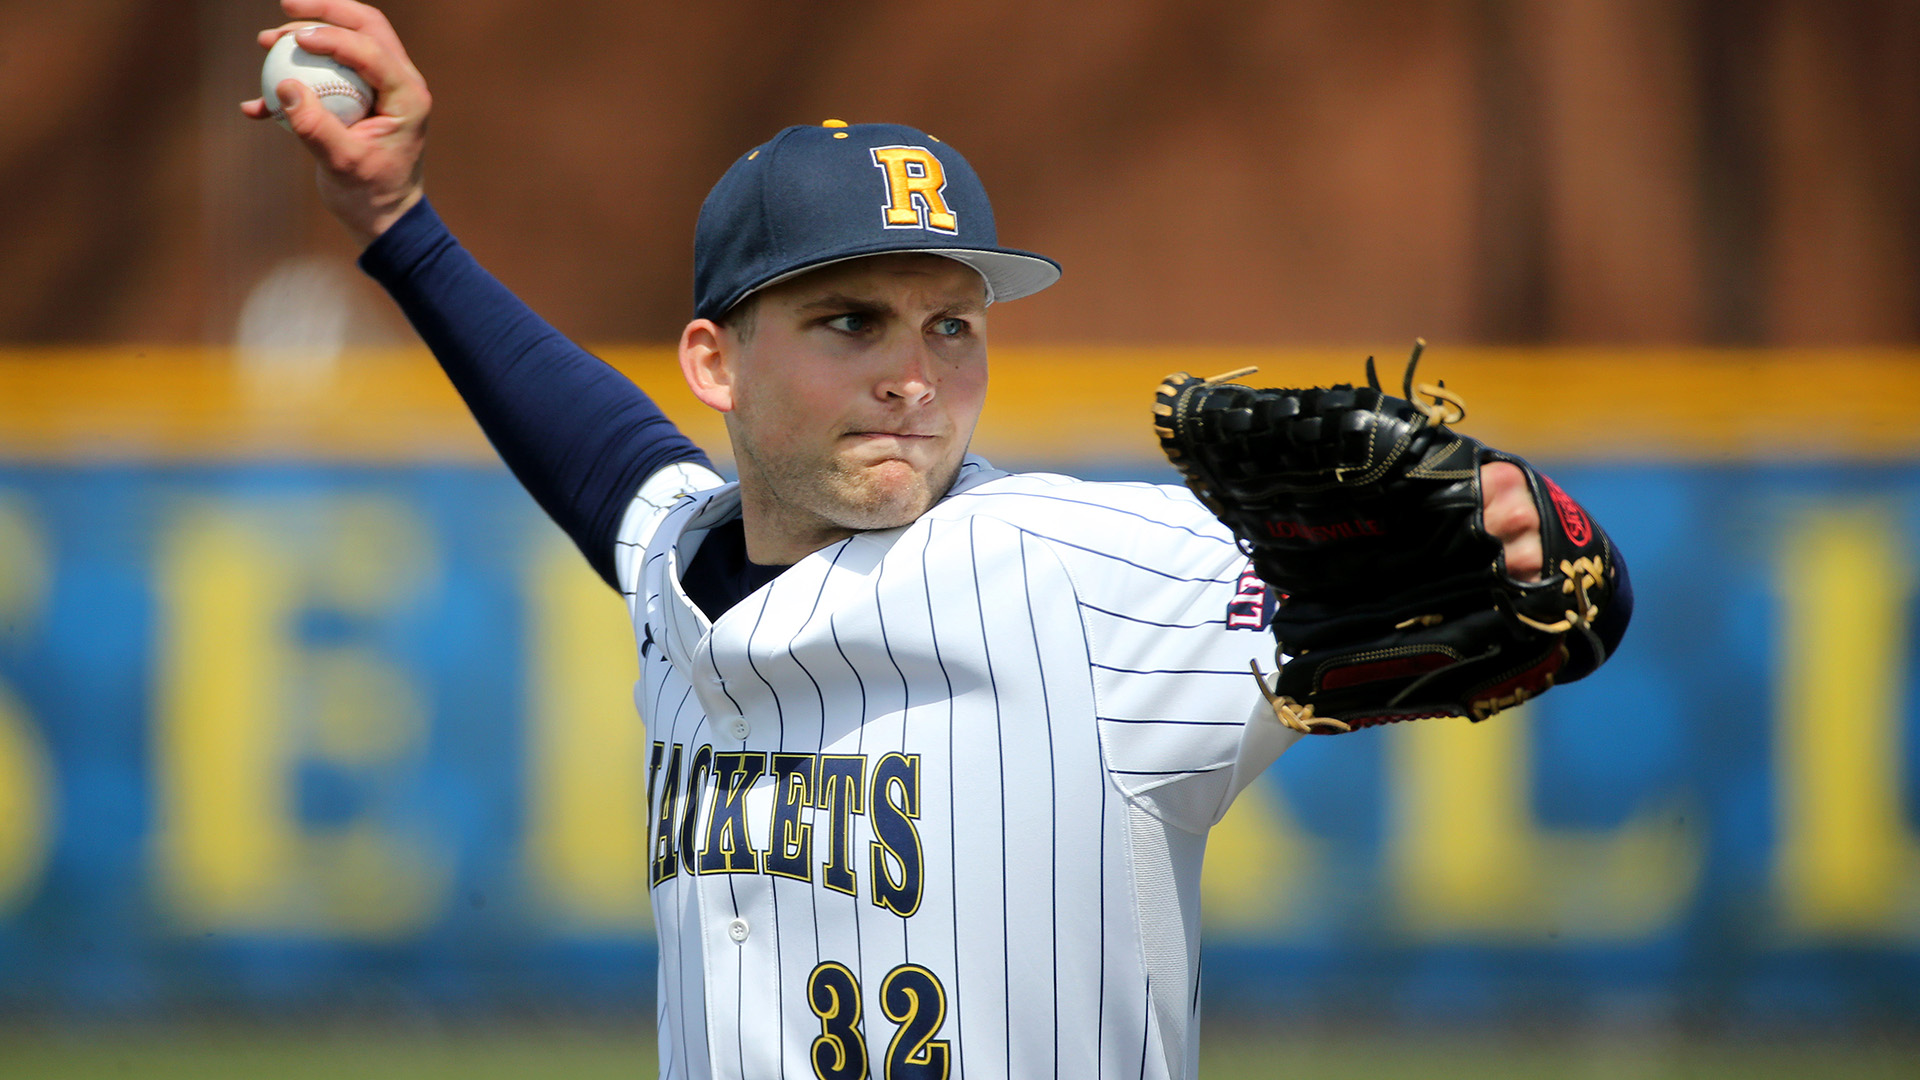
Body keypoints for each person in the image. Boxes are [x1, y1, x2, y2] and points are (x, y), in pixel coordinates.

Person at [246, 3, 1630, 1077]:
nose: (915, 375)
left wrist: (1552, 552)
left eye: (950, 325)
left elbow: (1540, 604)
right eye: (852, 321)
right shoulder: (683, 566)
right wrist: (393, 223)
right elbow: (598, 453)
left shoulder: (1074, 572)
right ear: (715, 364)